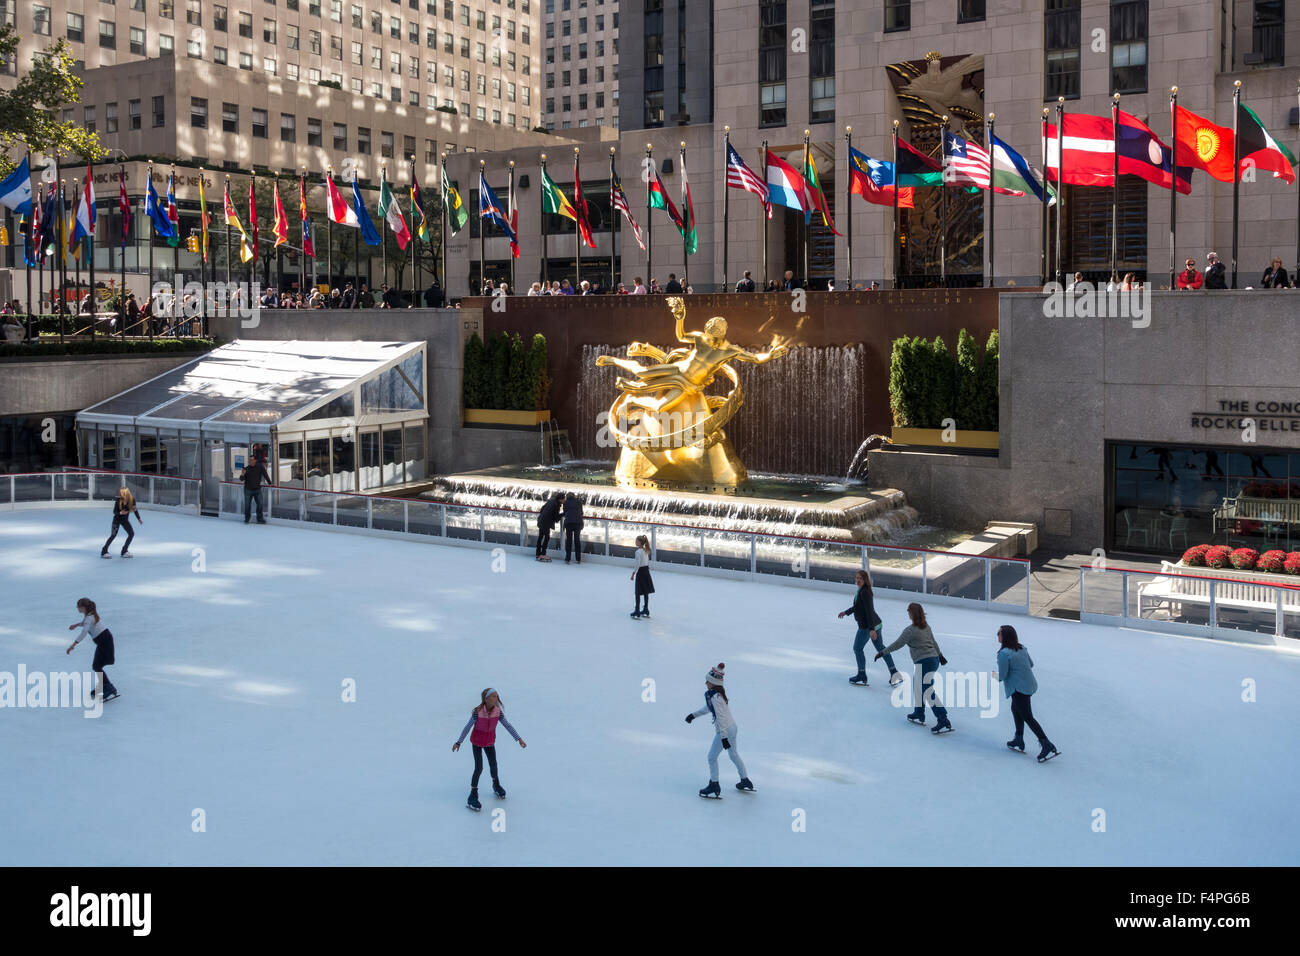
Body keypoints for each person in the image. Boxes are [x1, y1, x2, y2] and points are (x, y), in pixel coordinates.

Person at [876, 602, 951, 734]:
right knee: (918, 686)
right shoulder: (926, 627)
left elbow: (898, 644)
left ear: (913, 614)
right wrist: (940, 656)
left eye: (909, 611)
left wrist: (883, 652)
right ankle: (919, 713)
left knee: (926, 689)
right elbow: (934, 642)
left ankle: (942, 718)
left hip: (924, 662)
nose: (908, 613)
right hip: (933, 660)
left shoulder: (910, 631)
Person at [452, 687, 526, 812]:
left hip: (490, 742)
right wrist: (458, 742)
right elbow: (467, 727)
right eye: (493, 696)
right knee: (479, 768)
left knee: (493, 765)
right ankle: (473, 794)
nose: (496, 698)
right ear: (486, 699)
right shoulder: (477, 712)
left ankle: (496, 785)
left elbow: (507, 725)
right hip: (477, 742)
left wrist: (518, 739)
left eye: (497, 696)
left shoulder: (498, 712)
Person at [685, 663, 753, 796]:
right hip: (732, 727)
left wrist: (723, 738)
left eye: (708, 681)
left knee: (711, 757)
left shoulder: (715, 697)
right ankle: (745, 780)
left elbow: (720, 718)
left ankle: (714, 785)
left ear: (714, 683)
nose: (705, 683)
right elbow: (708, 709)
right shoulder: (716, 695)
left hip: (725, 730)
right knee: (733, 754)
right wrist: (693, 715)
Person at [995, 625, 1059, 762]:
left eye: (998, 633)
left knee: (1027, 717)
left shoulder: (1004, 654)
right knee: (1015, 709)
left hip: (1019, 689)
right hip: (1029, 685)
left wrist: (994, 676)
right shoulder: (1022, 648)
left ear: (1005, 636)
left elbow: (1002, 675)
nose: (997, 635)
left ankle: (1046, 743)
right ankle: (1018, 738)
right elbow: (1031, 664)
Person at [838, 570, 902, 687]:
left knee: (857, 648)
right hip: (875, 624)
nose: (857, 580)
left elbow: (868, 611)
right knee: (881, 649)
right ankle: (894, 673)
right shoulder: (862, 591)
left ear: (865, 580)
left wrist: (871, 629)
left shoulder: (865, 593)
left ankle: (861, 675)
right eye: (856, 578)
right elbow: (858, 607)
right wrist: (846, 612)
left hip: (868, 626)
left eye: (860, 579)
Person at [66, 597, 119, 702]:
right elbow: (85, 623)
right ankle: (105, 685)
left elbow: (84, 632)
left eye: (78, 606)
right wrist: (76, 625)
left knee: (97, 666)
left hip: (104, 641)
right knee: (97, 666)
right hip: (104, 640)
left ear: (83, 607)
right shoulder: (89, 615)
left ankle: (108, 687)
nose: (77, 608)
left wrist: (73, 644)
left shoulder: (89, 618)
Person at [101, 487, 142, 559]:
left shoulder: (132, 500)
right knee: (113, 535)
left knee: (131, 534)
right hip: (117, 519)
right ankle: (104, 551)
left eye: (122, 493)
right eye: (120, 493)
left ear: (127, 493)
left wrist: (139, 519)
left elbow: (135, 510)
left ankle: (124, 551)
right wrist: (120, 512)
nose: (121, 494)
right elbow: (114, 512)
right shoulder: (118, 500)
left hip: (125, 520)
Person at [239, 453, 271, 524]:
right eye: (250, 460)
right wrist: (242, 474)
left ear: (255, 461)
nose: (251, 462)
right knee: (247, 505)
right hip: (248, 490)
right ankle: (247, 518)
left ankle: (259, 518)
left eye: (252, 460)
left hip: (257, 490)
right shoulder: (247, 468)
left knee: (260, 504)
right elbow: (241, 479)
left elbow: (265, 474)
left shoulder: (260, 467)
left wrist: (270, 483)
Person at [630, 534, 655, 619]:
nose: (635, 542)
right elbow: (646, 561)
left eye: (637, 541)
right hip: (646, 571)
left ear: (640, 543)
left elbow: (637, 564)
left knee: (638, 592)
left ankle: (637, 611)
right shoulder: (646, 550)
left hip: (641, 572)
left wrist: (633, 573)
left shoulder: (638, 552)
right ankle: (646, 609)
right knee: (645, 592)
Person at [535, 491, 563, 561]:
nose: (564, 501)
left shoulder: (551, 501)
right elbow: (556, 518)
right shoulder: (556, 505)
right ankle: (543, 554)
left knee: (540, 537)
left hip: (541, 520)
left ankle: (538, 553)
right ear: (560, 499)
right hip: (546, 523)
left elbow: (542, 509)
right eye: (564, 499)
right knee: (547, 538)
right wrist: (563, 514)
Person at [562, 492, 583, 563]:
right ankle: (578, 559)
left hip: (569, 523)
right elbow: (581, 513)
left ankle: (568, 559)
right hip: (578, 523)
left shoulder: (565, 502)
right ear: (574, 496)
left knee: (569, 541)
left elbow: (565, 513)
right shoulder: (579, 502)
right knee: (577, 540)